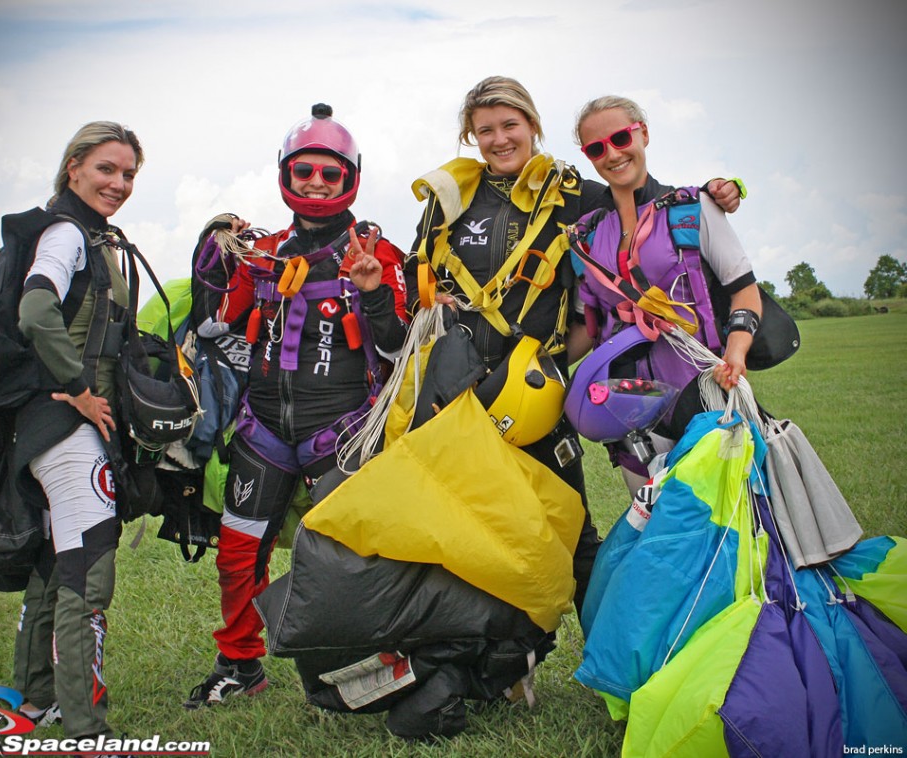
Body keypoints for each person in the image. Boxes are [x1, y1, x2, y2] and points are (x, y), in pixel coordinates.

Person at [405, 76, 742, 614]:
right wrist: (426, 299)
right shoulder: (451, 200)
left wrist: (719, 191)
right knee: (471, 525)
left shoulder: (576, 196)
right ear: (471, 137)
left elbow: (647, 198)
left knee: (571, 527)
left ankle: (602, 647)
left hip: (538, 390)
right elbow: (416, 273)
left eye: (510, 125)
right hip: (460, 390)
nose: (499, 139)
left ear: (533, 126)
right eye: (485, 130)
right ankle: (507, 652)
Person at [183, 104, 409, 708]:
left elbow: (398, 347)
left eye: (330, 174)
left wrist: (373, 292)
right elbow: (214, 325)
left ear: (350, 177)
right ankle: (239, 664)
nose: (316, 183)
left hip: (343, 431)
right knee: (237, 554)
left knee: (355, 560)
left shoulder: (378, 252)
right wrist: (212, 259)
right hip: (262, 430)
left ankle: (374, 664)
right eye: (303, 171)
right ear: (285, 173)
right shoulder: (261, 252)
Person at [12, 121, 142, 739]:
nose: (118, 183)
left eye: (128, 174)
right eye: (105, 169)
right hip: (65, 426)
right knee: (88, 574)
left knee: (55, 565)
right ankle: (88, 731)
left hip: (46, 427)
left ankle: (35, 700)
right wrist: (82, 390)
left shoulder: (89, 236)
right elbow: (37, 311)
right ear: (74, 168)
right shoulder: (66, 234)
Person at [571, 94, 761, 492]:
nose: (612, 154)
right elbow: (590, 329)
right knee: (652, 524)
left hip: (707, 395)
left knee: (728, 518)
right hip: (629, 413)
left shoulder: (693, 209)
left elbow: (744, 290)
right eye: (596, 148)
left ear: (643, 134)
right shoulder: (586, 236)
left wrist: (737, 351)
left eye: (621, 138)